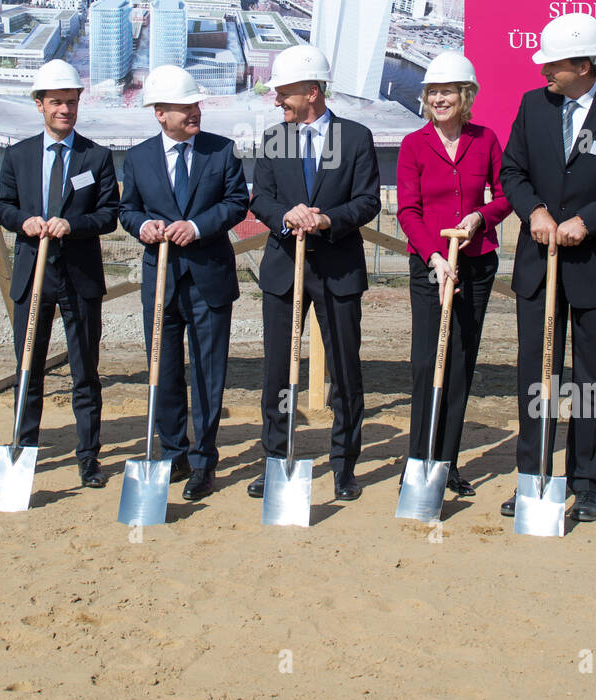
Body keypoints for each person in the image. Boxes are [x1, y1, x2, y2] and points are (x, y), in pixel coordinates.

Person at [499, 12, 596, 521]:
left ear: (584, 63)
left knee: (590, 380)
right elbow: (513, 171)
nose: (544, 70)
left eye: (554, 63)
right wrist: (535, 211)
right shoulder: (532, 106)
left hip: (595, 263)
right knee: (536, 374)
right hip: (539, 265)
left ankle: (587, 479)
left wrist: (588, 220)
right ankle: (533, 476)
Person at [249, 44, 381, 501]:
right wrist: (288, 216)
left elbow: (367, 201)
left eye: (284, 92)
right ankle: (276, 458)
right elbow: (260, 199)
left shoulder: (355, 137)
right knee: (278, 372)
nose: (277, 101)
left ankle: (344, 466)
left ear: (312, 91)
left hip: (337, 268)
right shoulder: (274, 139)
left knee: (346, 371)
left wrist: (326, 219)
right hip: (286, 270)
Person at [119, 64, 249, 501]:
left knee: (209, 373)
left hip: (209, 280)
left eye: (196, 104)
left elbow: (235, 204)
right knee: (166, 370)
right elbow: (127, 209)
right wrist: (143, 227)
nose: (195, 112)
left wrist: (195, 227)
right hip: (162, 282)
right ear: (160, 113)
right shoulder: (137, 159)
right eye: (184, 107)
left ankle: (203, 460)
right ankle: (173, 452)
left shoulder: (222, 151)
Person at [0, 60, 119, 487]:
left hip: (79, 278)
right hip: (33, 276)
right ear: (40, 105)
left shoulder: (96, 158)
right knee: (28, 368)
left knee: (86, 371)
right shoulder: (19, 155)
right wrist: (23, 221)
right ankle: (23, 451)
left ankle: (89, 457)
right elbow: (3, 206)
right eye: (56, 103)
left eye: (71, 102)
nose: (64, 110)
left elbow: (108, 216)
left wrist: (73, 225)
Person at [396, 52, 511, 497]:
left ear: (466, 95)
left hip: (476, 262)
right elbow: (408, 210)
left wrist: (480, 218)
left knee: (460, 362)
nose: (439, 99)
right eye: (432, 92)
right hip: (432, 266)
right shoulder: (413, 144)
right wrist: (435, 258)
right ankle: (418, 461)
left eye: (447, 91)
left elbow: (505, 195)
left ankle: (446, 462)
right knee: (428, 362)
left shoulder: (485, 140)